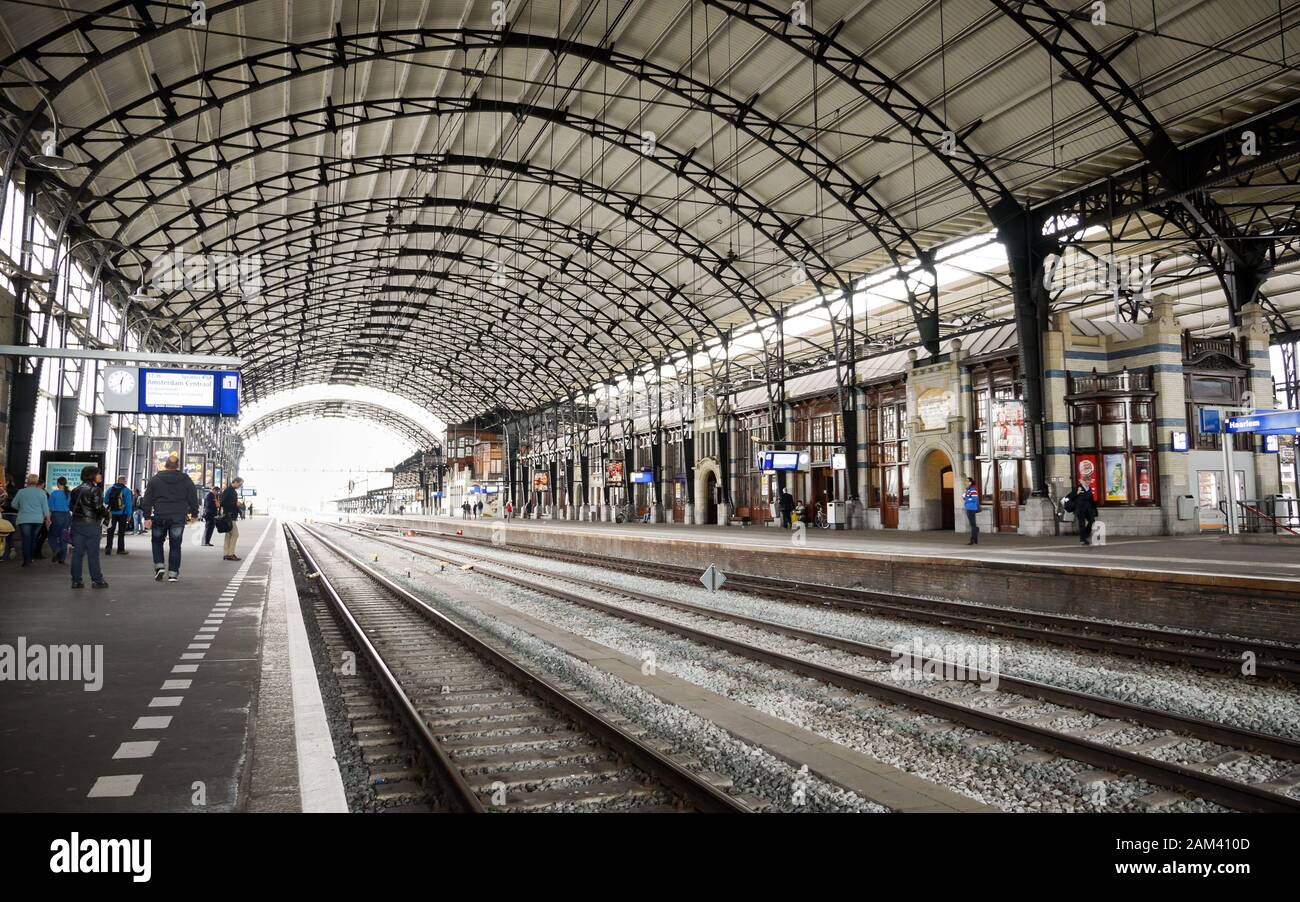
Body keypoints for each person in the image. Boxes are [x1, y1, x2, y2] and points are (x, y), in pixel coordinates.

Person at [140, 456, 199, 581]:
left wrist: (146, 517)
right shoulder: (186, 480)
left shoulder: (155, 480)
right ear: (178, 466)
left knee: (156, 541)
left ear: (165, 465)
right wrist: (194, 514)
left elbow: (147, 500)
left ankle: (159, 566)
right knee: (175, 545)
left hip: (160, 516)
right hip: (178, 517)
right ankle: (173, 574)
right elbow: (193, 498)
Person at [69, 466, 110, 589]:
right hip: (91, 525)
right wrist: (106, 513)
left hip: (77, 524)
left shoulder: (75, 490)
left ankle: (76, 581)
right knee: (93, 554)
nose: (100, 475)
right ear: (92, 475)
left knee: (77, 554)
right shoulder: (95, 490)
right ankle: (97, 580)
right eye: (98, 473)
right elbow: (98, 508)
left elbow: (71, 507)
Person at [12, 474, 51, 567]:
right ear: (37, 481)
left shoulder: (21, 492)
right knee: (33, 539)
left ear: (28, 480)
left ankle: (26, 561)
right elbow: (45, 508)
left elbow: (13, 504)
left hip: (24, 519)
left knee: (26, 540)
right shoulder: (42, 492)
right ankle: (30, 558)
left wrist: (21, 508)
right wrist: (48, 519)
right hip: (38, 520)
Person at [104, 475, 133, 556]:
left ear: (117, 480)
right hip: (122, 514)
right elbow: (128, 504)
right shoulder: (126, 490)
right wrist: (129, 515)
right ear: (124, 481)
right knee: (121, 532)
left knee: (110, 531)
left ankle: (108, 548)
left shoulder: (110, 489)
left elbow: (106, 501)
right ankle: (120, 549)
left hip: (112, 513)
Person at [47, 476, 72, 564]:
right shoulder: (69, 494)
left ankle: (57, 549)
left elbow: (49, 507)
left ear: (58, 484)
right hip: (67, 516)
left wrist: (48, 518)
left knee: (51, 536)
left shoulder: (54, 493)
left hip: (56, 515)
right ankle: (62, 559)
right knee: (64, 537)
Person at [1067, 481, 1098, 546]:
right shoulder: (1078, 488)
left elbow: (1091, 500)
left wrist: (1095, 510)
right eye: (1087, 482)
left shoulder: (1089, 489)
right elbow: (1069, 496)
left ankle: (1086, 534)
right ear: (1083, 482)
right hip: (1080, 509)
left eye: (1089, 482)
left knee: (1092, 520)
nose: (1088, 484)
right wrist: (1077, 493)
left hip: (1088, 509)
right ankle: (1083, 540)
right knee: (1082, 524)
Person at [220, 477, 244, 561]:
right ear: (235, 482)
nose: (240, 486)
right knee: (235, 534)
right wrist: (235, 504)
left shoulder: (231, 491)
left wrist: (237, 506)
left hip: (230, 515)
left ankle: (226, 554)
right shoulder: (228, 491)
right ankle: (231, 554)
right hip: (229, 516)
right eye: (240, 484)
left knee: (229, 535)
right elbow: (222, 503)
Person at [963, 477, 980, 545]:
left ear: (970, 482)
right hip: (968, 508)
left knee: (972, 525)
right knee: (972, 524)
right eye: (965, 481)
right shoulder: (968, 489)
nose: (965, 482)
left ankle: (973, 539)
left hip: (971, 508)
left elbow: (974, 499)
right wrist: (965, 496)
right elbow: (965, 497)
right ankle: (975, 537)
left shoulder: (973, 490)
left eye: (967, 481)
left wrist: (967, 499)